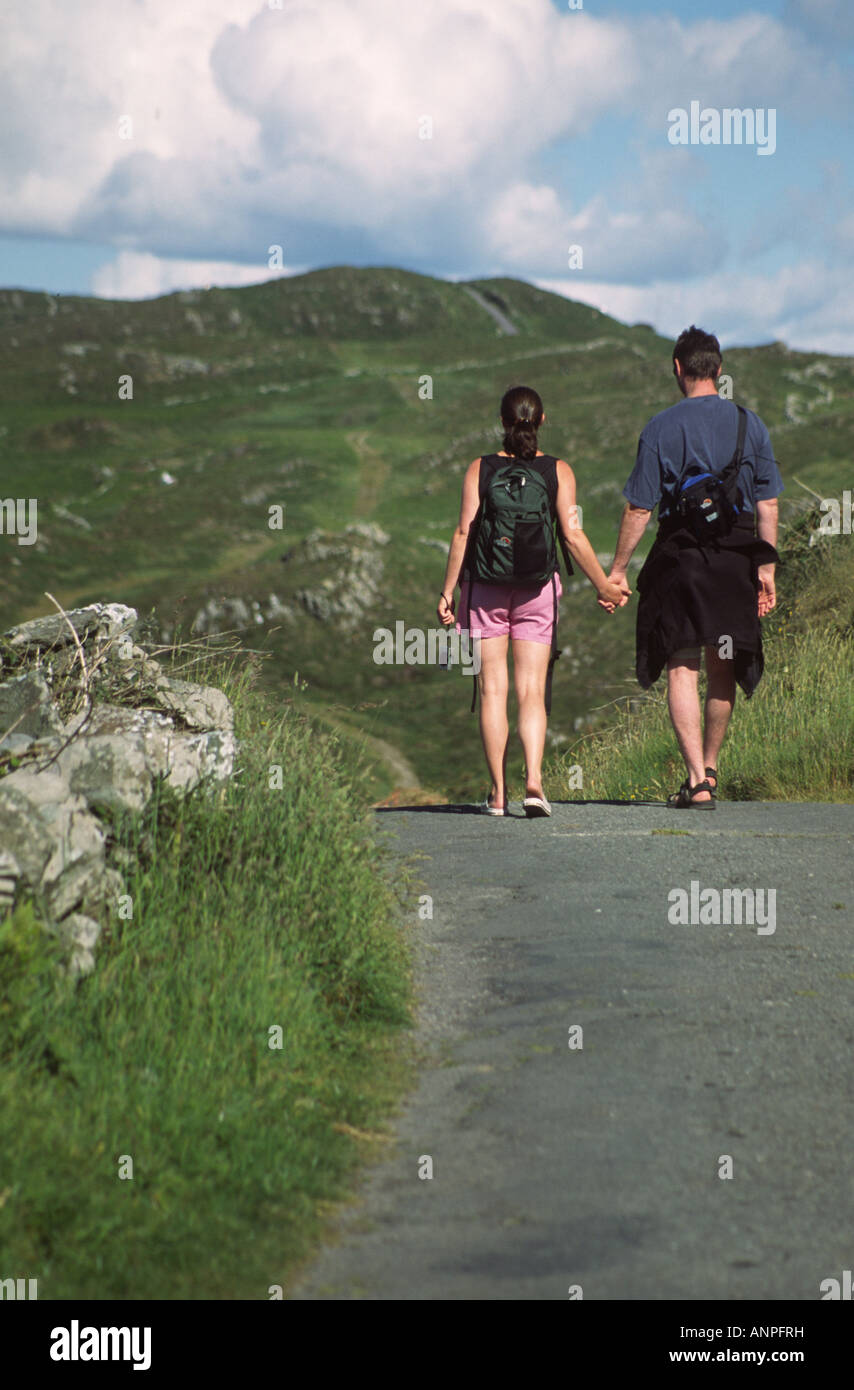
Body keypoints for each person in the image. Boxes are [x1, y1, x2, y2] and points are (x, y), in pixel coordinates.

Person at [607, 326, 782, 808]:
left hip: (683, 557)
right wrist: (766, 569)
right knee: (722, 663)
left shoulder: (661, 427)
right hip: (737, 555)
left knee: (682, 667)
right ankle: (710, 767)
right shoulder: (752, 424)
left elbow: (639, 509)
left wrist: (618, 571)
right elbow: (767, 504)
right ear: (719, 370)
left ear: (678, 369)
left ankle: (695, 780)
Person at [438, 385, 626, 817]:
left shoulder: (479, 470)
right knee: (531, 691)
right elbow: (573, 535)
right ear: (542, 422)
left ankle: (498, 794)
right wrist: (604, 586)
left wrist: (448, 591)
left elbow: (464, 533)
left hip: (484, 589)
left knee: (492, 690)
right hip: (539, 591)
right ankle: (535, 784)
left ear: (502, 422)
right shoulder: (558, 471)